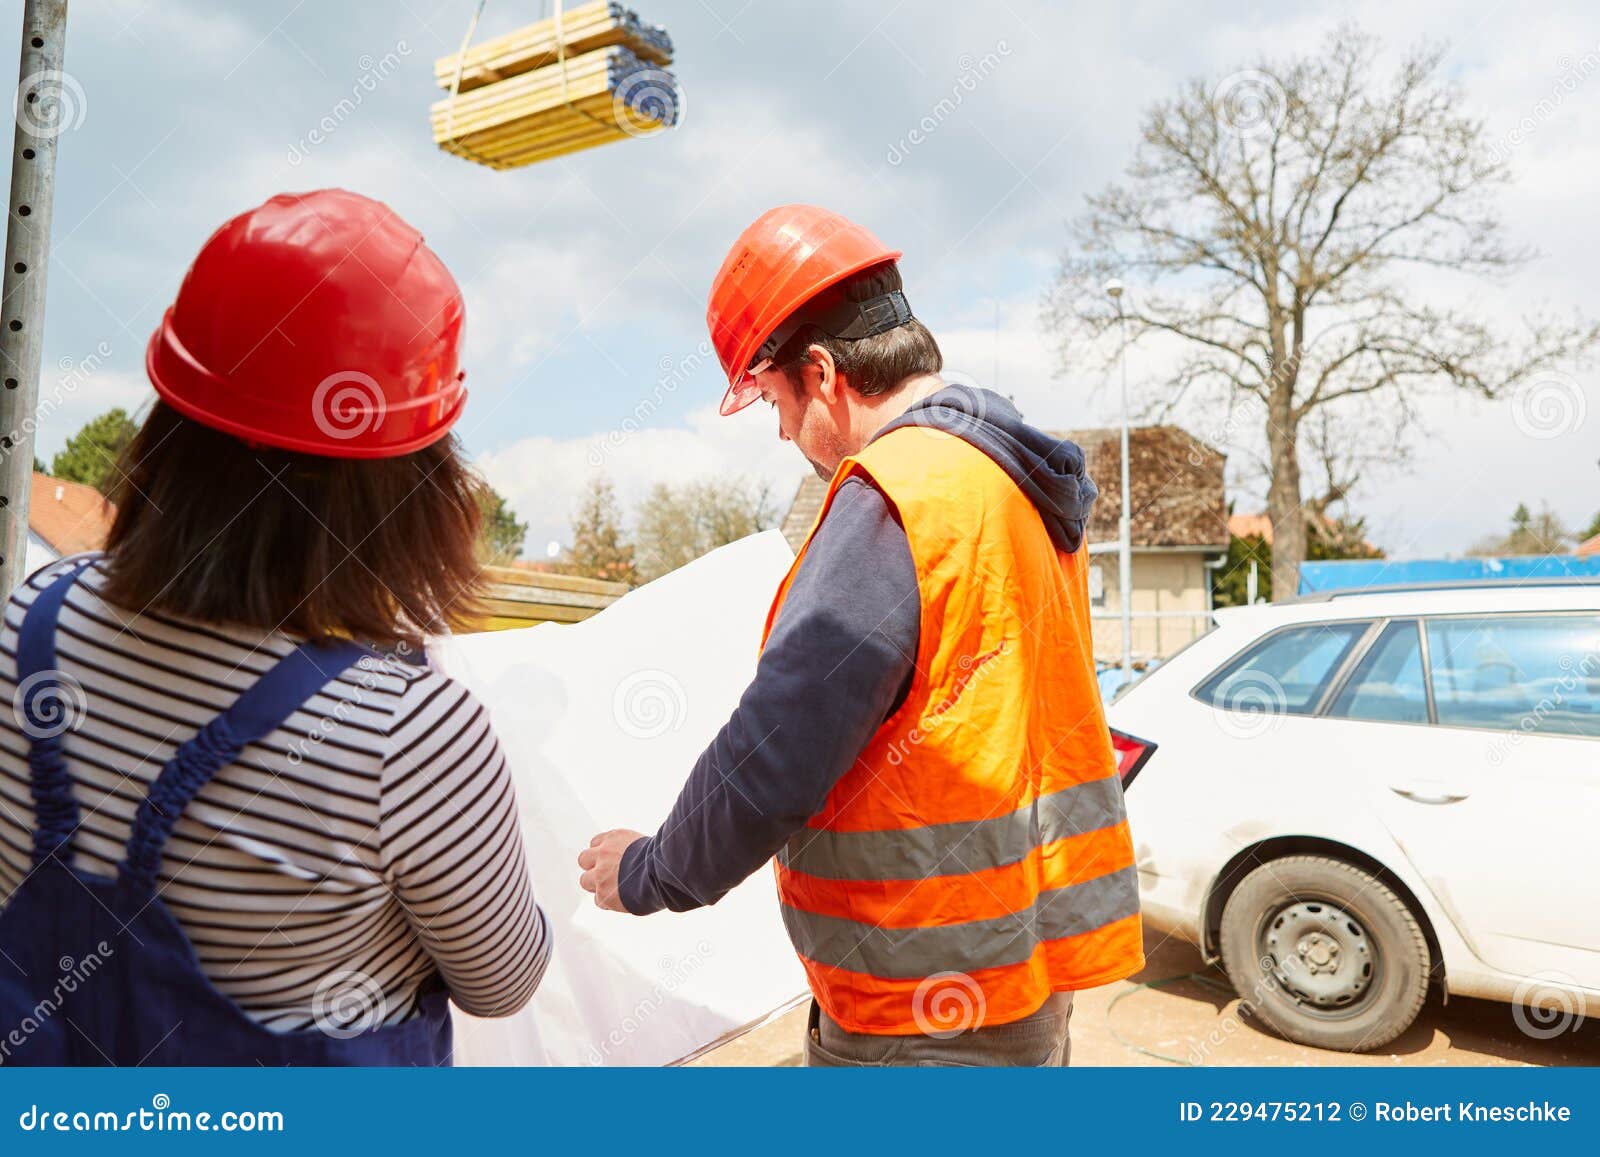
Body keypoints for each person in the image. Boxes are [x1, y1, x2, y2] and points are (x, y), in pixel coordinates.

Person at [579, 204, 1142, 1066]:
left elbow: (778, 746)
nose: (778, 430)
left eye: (771, 397)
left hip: (922, 1016)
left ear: (823, 372)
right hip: (1023, 978)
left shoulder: (896, 496)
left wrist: (651, 871)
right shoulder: (1014, 484)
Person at [0, 189, 549, 1066]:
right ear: (409, 485)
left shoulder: (31, 622)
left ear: (168, 426)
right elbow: (502, 982)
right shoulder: (408, 731)